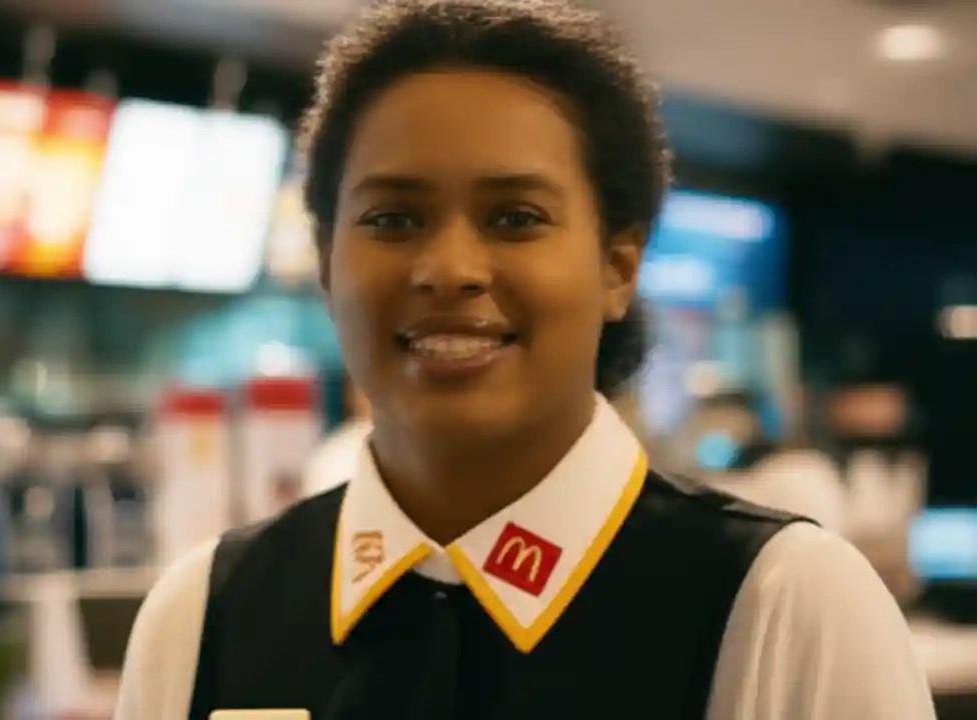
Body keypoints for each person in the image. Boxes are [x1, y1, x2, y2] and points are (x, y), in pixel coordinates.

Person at [116, 1, 934, 718]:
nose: (449, 268)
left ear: (618, 265)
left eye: (514, 217)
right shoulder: (204, 615)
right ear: (327, 262)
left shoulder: (781, 603)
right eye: (394, 219)